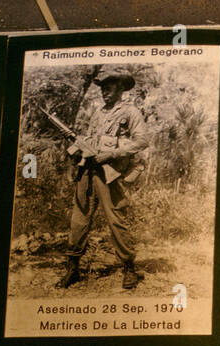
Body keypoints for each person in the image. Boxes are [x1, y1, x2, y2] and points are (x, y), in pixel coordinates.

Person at [56, 67, 148, 291]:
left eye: (110, 87)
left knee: (116, 219)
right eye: (103, 88)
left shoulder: (130, 112)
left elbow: (141, 141)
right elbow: (91, 139)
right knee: (79, 220)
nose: (105, 92)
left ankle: (129, 269)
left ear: (120, 90)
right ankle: (73, 268)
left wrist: (112, 153)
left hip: (109, 173)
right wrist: (77, 144)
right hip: (87, 170)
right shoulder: (98, 113)